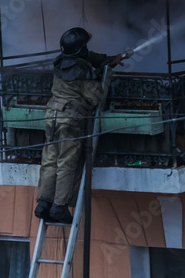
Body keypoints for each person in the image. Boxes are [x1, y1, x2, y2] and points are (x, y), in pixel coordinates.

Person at [35, 27, 125, 225]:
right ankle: (59, 207)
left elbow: (87, 57)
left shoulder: (60, 62)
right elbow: (94, 97)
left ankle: (43, 203)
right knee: (66, 163)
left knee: (50, 160)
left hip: (52, 115)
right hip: (71, 120)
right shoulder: (82, 71)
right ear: (80, 48)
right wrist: (100, 74)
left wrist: (106, 60)